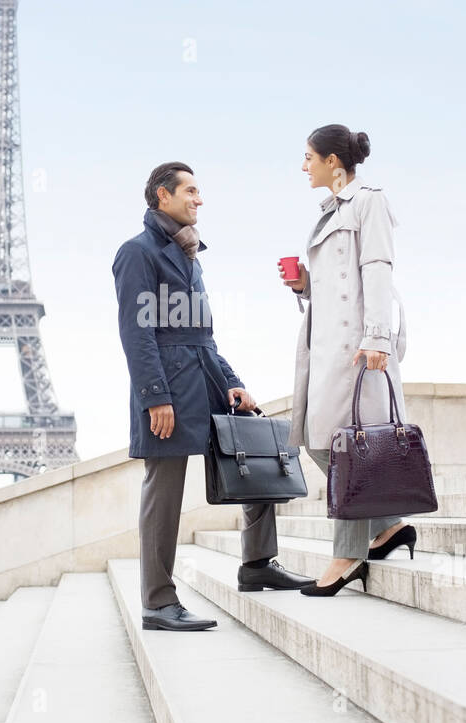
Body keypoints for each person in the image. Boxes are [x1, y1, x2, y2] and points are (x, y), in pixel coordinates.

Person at [113, 161, 315, 631]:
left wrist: (231, 381)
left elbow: (204, 337)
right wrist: (154, 396)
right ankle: (158, 603)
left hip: (204, 379)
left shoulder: (189, 255)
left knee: (260, 455)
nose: (199, 199)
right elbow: (136, 333)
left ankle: (258, 563)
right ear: (162, 196)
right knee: (163, 495)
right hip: (167, 391)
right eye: (190, 191)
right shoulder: (137, 252)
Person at [279, 125, 418, 597]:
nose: (304, 167)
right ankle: (388, 525)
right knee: (318, 441)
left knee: (340, 448)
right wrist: (304, 287)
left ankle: (345, 558)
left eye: (309, 158)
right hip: (326, 353)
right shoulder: (328, 211)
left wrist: (378, 337)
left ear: (333, 161)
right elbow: (338, 285)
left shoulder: (369, 201)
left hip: (360, 352)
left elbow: (377, 269)